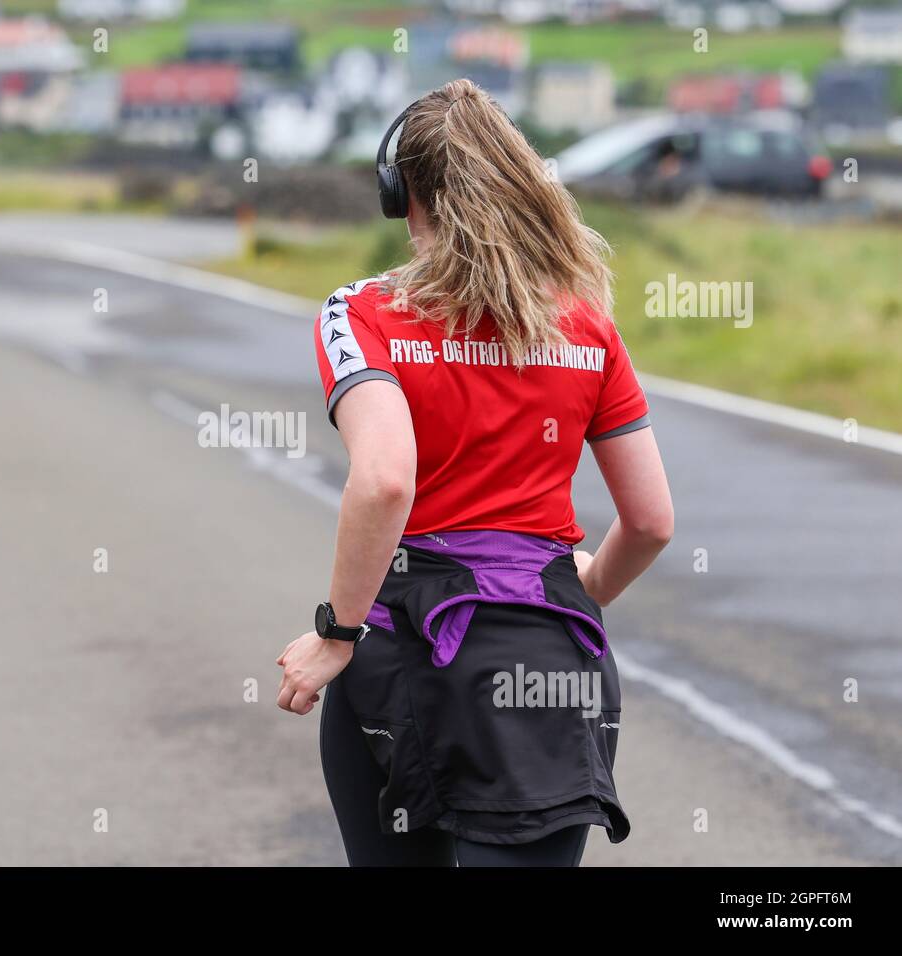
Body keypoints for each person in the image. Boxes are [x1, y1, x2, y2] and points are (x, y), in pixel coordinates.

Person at [276, 79, 674, 867]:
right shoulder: (586, 324)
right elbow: (653, 521)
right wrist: (576, 589)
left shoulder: (363, 312)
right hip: (555, 659)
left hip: (404, 654)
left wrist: (337, 632)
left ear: (406, 198)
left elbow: (387, 477)